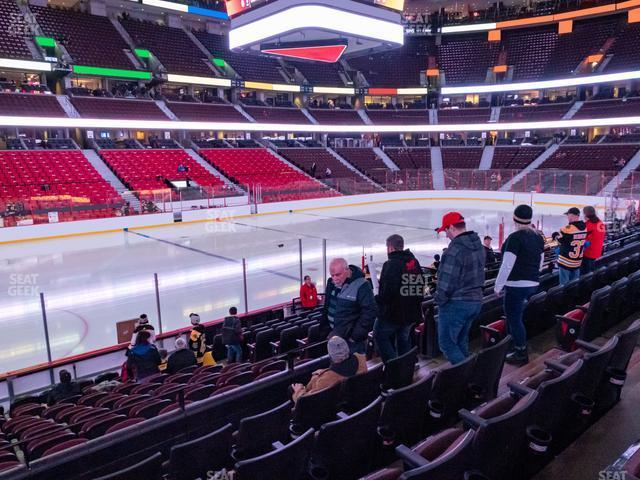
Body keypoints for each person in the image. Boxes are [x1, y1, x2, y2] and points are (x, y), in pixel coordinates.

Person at [494, 205, 546, 365]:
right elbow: (541, 261)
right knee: (515, 318)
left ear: (514, 218)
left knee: (514, 319)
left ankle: (520, 351)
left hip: (516, 286)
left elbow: (507, 265)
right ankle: (514, 346)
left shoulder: (514, 238)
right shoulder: (537, 237)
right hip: (533, 283)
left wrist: (498, 286)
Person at [434, 212, 485, 365]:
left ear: (451, 228)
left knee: (447, 344)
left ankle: (468, 376)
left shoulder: (454, 250)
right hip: (475, 301)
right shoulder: (479, 246)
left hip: (456, 304)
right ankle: (469, 374)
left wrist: (439, 300)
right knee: (461, 341)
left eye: (446, 231)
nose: (446, 235)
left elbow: (446, 284)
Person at [374, 234, 424, 362]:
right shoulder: (414, 262)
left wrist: (377, 297)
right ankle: (405, 368)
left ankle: (394, 368)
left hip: (393, 314)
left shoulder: (391, 264)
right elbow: (420, 286)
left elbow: (387, 295)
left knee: (379, 336)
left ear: (390, 248)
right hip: (410, 313)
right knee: (403, 340)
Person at [320, 258, 377, 354]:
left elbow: (370, 313)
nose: (335, 279)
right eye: (332, 275)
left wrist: (355, 337)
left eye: (338, 275)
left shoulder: (362, 285)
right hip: (333, 336)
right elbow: (327, 307)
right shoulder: (330, 282)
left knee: (355, 366)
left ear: (347, 270)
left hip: (352, 342)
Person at [291, 336, 367, 403]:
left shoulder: (325, 379)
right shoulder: (361, 358)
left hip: (332, 405)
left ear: (330, 355)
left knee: (290, 389)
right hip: (353, 397)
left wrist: (298, 391)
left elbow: (305, 401)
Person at [556, 207, 588, 284]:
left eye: (568, 215)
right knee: (574, 284)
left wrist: (555, 235)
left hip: (565, 262)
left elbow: (559, 241)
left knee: (563, 286)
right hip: (577, 262)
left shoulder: (566, 229)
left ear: (571, 215)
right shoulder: (584, 228)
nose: (567, 217)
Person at [582, 206, 605, 274]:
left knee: (586, 272)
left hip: (589, 253)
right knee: (591, 270)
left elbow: (581, 237)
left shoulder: (588, 225)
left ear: (586, 214)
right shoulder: (600, 222)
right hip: (597, 251)